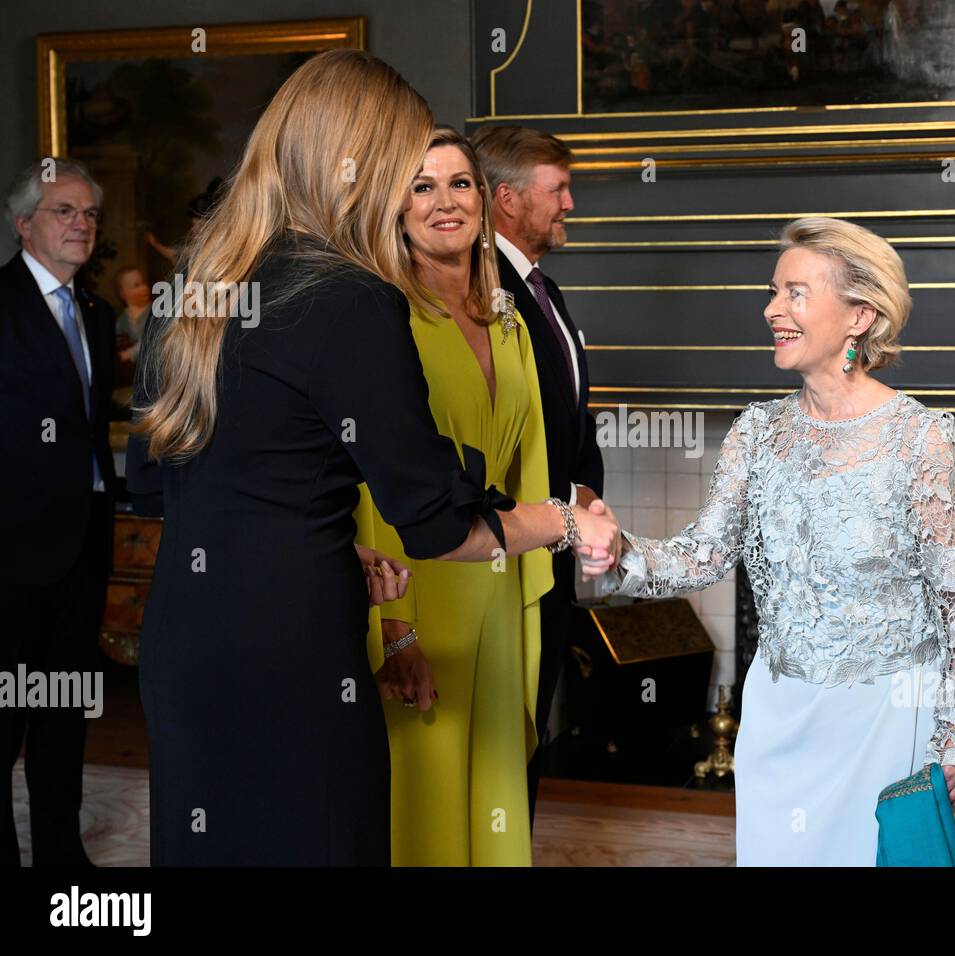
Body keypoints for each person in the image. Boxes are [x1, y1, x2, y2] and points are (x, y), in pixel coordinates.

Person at [126, 49, 619, 866]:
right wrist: (565, 519)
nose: (407, 191)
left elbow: (177, 483)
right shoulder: (350, 295)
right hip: (294, 646)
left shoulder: (202, 280)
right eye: (401, 166)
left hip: (189, 634)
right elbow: (432, 523)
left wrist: (321, 536)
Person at [589, 216, 955, 866]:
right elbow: (703, 555)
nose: (772, 309)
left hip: (886, 729)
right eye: (774, 291)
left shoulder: (919, 442)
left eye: (794, 293)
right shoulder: (756, 434)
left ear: (859, 314)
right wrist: (618, 555)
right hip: (779, 719)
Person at [353, 126, 552, 865]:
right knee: (427, 806)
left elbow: (527, 460)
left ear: (483, 199)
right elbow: (369, 481)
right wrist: (394, 629)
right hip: (420, 585)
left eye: (460, 183)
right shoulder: (383, 318)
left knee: (496, 793)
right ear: (395, 208)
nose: (445, 202)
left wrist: (535, 576)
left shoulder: (508, 323)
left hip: (498, 585)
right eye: (422, 186)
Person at [470, 125, 605, 824]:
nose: (571, 204)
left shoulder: (541, 288)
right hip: (500, 555)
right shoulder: (475, 293)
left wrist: (584, 491)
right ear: (507, 199)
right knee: (505, 732)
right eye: (558, 189)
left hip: (550, 544)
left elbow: (569, 419)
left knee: (530, 724)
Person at [0, 158, 118, 867]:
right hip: (10, 551)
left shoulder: (97, 314)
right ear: (23, 225)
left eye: (89, 214)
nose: (82, 224)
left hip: (83, 544)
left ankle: (59, 852)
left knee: (64, 710)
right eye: (63, 211)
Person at [113, 265, 150, 364]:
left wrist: (129, 354)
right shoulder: (123, 319)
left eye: (144, 283)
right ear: (123, 294)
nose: (144, 288)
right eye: (136, 285)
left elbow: (151, 339)